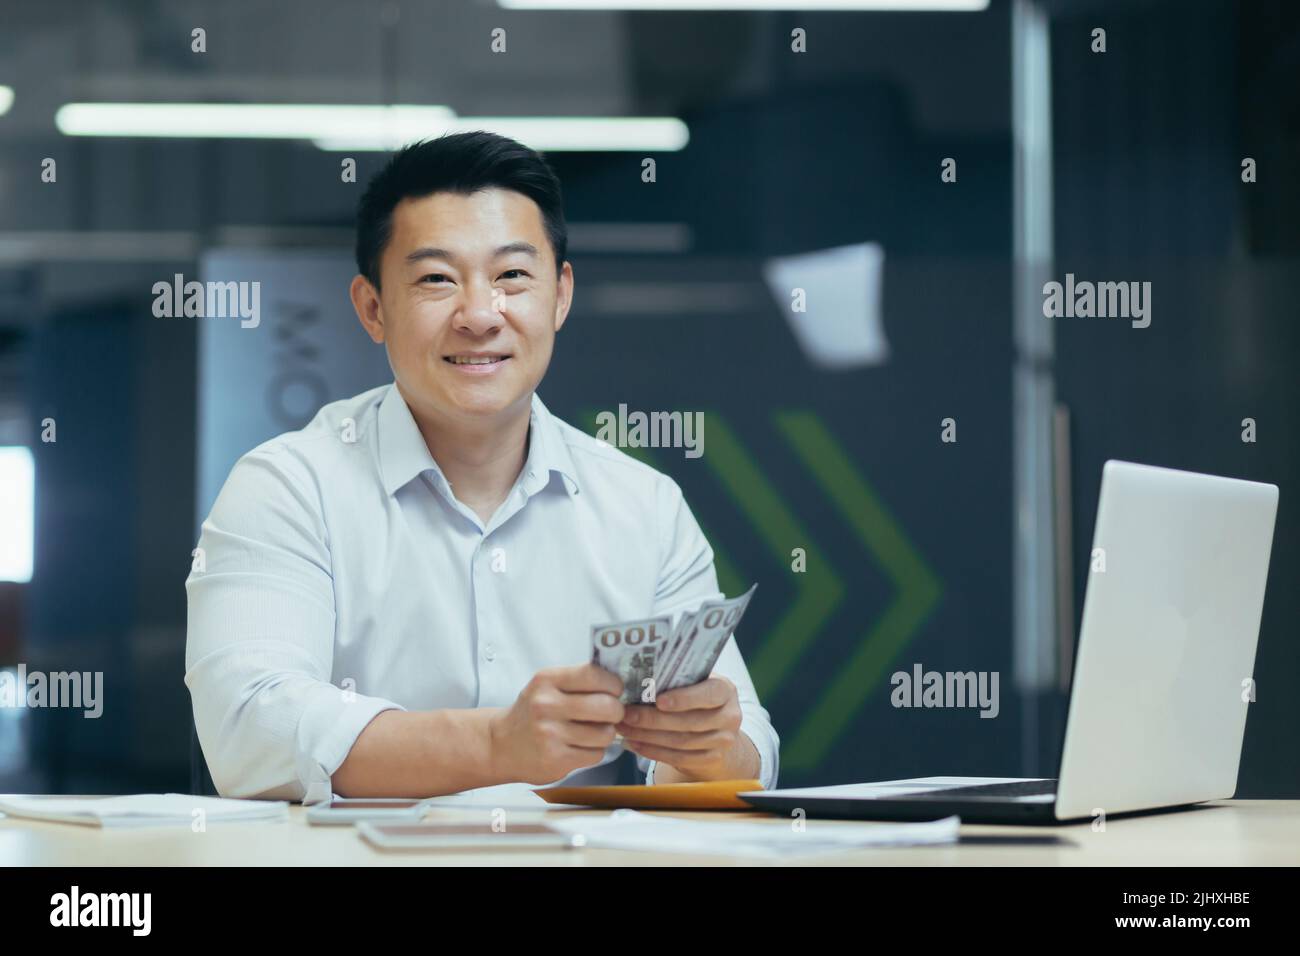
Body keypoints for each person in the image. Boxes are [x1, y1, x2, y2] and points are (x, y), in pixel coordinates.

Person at [185, 130, 779, 802]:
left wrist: (707, 746)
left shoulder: (643, 505)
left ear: (559, 296)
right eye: (436, 279)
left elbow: (744, 750)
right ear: (373, 308)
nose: (478, 314)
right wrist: (499, 745)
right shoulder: (288, 488)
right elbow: (249, 730)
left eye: (512, 277)